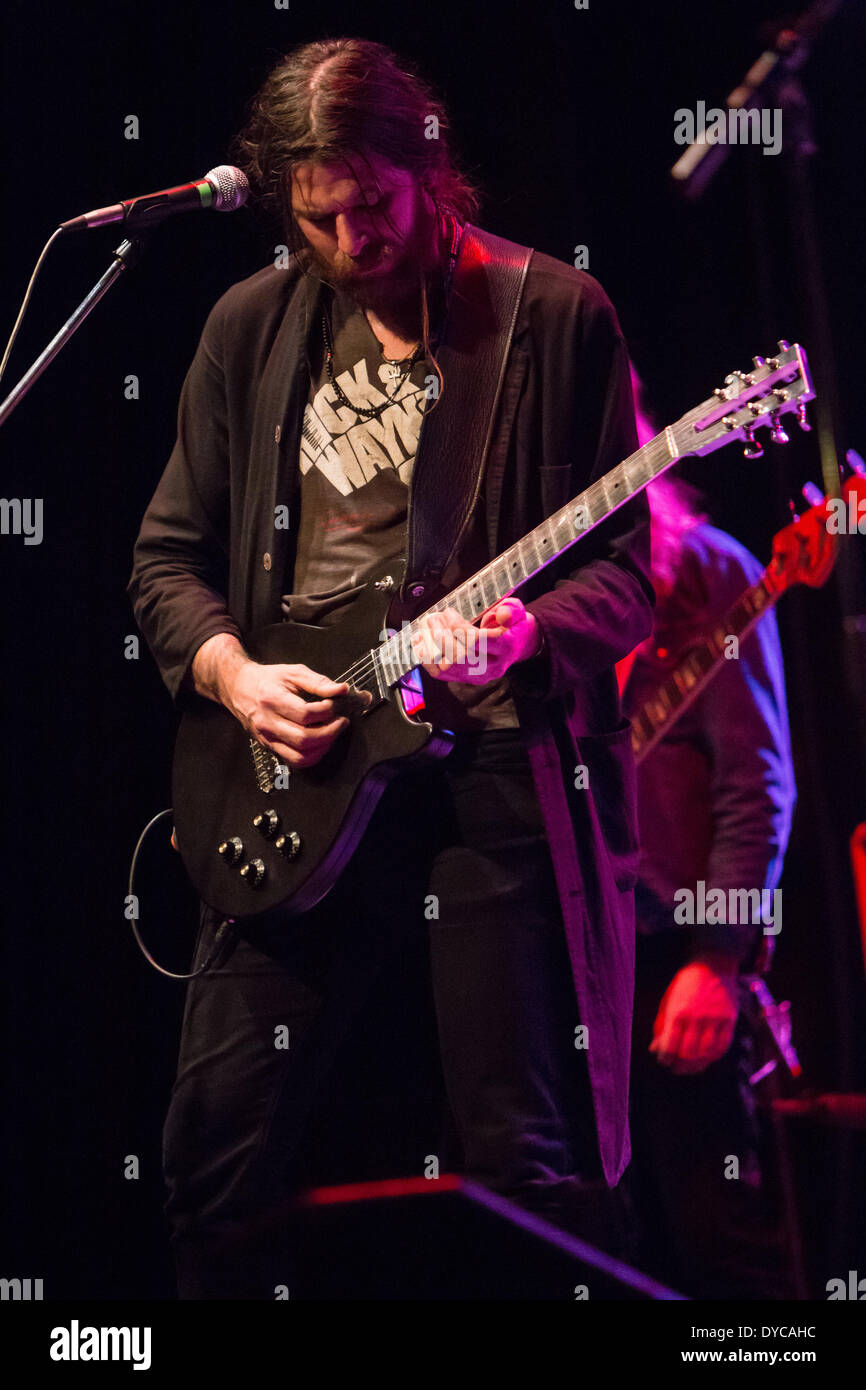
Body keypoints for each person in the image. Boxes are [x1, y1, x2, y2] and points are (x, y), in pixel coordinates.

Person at [128, 38, 654, 1299]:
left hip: (489, 774)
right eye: (321, 218)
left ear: (429, 169)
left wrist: (532, 631)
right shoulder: (248, 329)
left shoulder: (549, 316)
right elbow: (165, 559)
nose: (355, 238)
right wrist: (231, 675)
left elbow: (627, 574)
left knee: (526, 1164)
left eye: (375, 205)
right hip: (289, 768)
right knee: (214, 1159)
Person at [621, 371, 797, 1299]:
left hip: (678, 953)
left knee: (720, 1250)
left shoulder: (708, 573)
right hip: (579, 970)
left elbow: (756, 782)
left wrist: (718, 960)